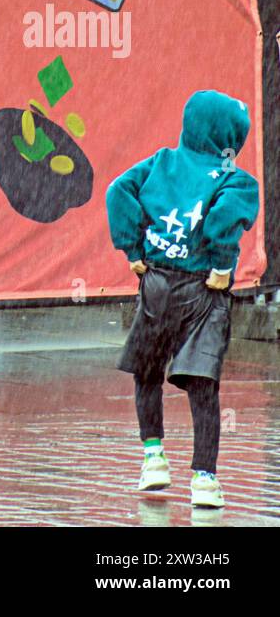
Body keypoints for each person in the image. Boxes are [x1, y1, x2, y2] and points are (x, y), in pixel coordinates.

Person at [106, 89, 259, 509]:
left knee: (147, 372)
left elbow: (118, 192)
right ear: (232, 138)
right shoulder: (236, 180)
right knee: (202, 385)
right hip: (203, 291)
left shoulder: (160, 162)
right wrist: (223, 262)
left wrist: (133, 249)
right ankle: (204, 480)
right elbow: (225, 217)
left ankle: (153, 458)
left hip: (156, 285)